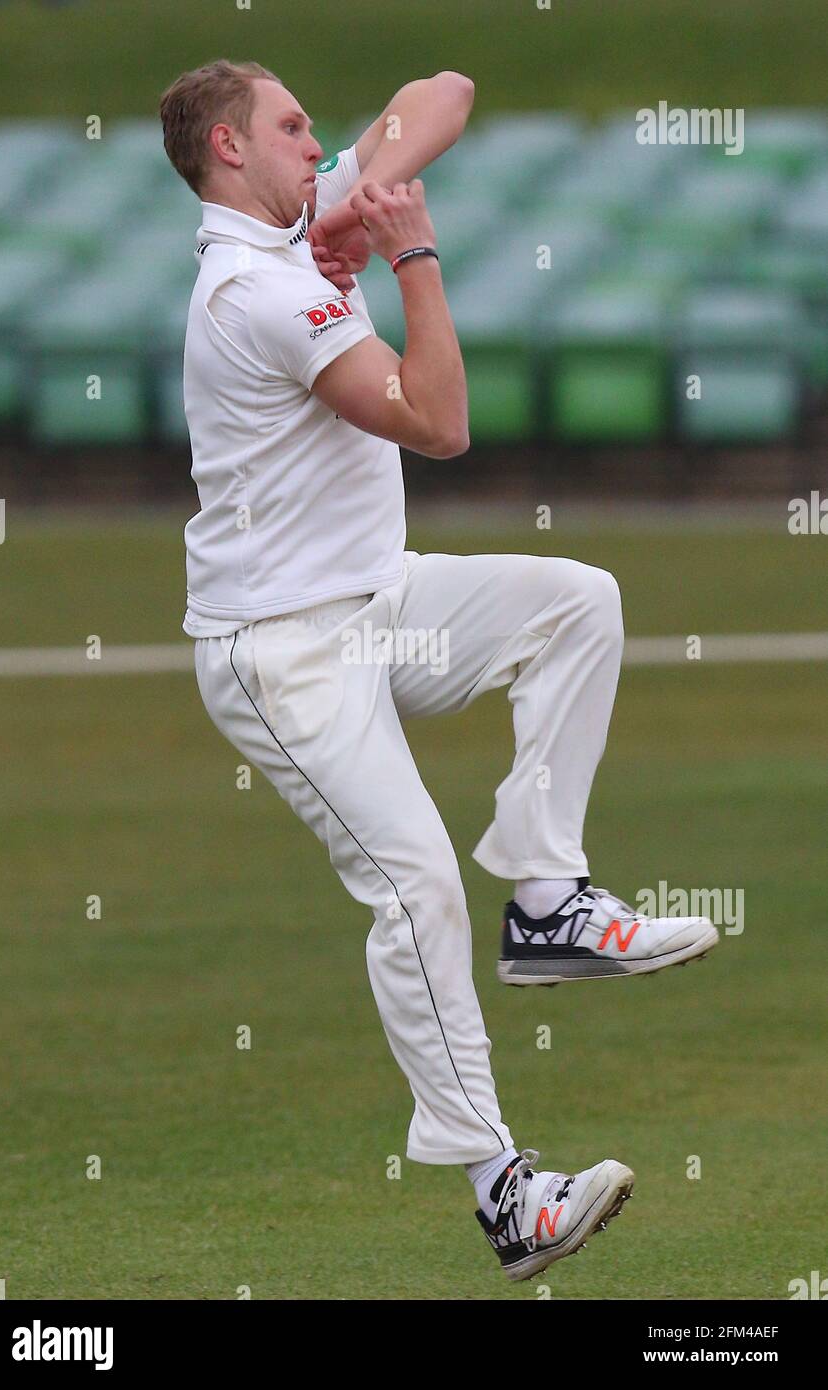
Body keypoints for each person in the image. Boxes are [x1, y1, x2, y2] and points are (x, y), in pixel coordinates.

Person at [159, 59, 718, 1281]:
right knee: (412, 883)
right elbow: (436, 422)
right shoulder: (252, 291)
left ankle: (549, 899)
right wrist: (410, 252)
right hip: (282, 650)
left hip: (382, 601)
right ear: (224, 151)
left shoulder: (300, 222)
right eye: (294, 130)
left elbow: (447, 90)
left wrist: (361, 199)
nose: (320, 145)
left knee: (576, 604)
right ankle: (505, 1192)